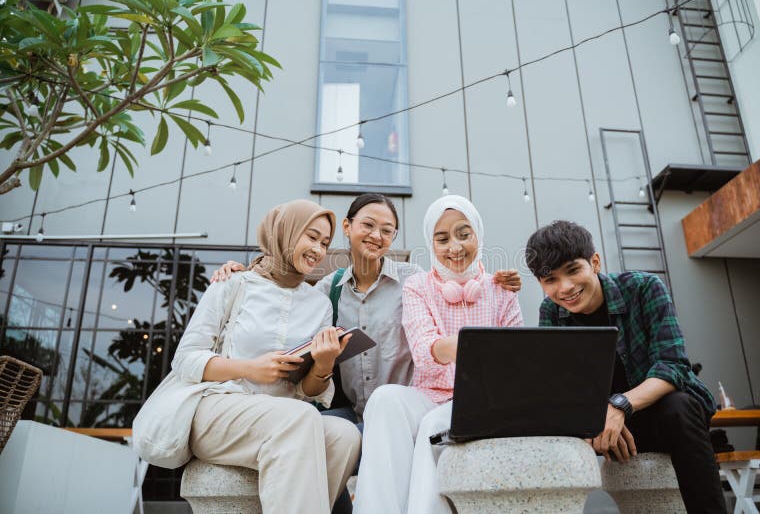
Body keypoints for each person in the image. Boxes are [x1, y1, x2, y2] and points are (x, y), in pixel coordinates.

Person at [212, 193, 520, 513]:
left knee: (345, 439)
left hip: (406, 406)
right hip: (355, 410)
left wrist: (497, 281)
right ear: (347, 227)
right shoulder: (326, 291)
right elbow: (287, 298)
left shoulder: (413, 279)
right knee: (312, 436)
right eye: (368, 225)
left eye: (387, 230)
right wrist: (244, 273)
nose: (377, 236)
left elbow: (451, 275)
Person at [172, 200, 361, 513]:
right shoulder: (234, 283)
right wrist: (250, 368)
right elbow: (185, 360)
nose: (318, 249)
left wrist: (324, 365)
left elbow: (308, 393)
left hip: (286, 419)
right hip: (218, 408)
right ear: (284, 233)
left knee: (344, 435)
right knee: (300, 418)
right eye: (311, 237)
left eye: (325, 243)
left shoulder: (319, 305)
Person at [525, 220, 725, 513]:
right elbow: (557, 388)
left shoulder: (644, 288)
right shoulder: (551, 312)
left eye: (572, 271)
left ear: (594, 262)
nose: (565, 288)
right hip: (601, 427)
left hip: (658, 414)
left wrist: (619, 407)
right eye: (550, 280)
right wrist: (593, 420)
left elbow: (672, 365)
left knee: (679, 406)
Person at [353, 195, 523, 514]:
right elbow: (425, 351)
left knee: (434, 424)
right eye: (442, 239)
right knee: (385, 399)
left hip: (483, 400)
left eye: (464, 234)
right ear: (431, 243)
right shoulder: (418, 286)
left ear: (479, 236)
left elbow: (514, 362)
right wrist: (476, 344)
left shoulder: (501, 288)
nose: (454, 248)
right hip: (430, 393)